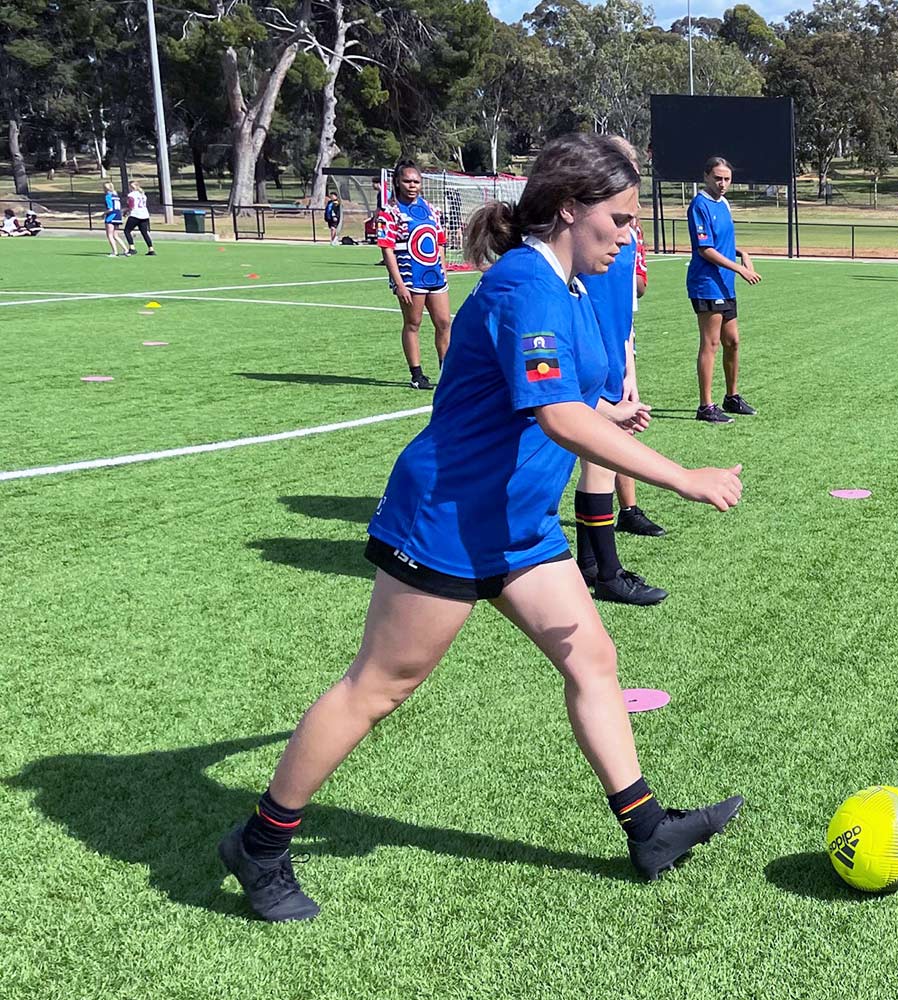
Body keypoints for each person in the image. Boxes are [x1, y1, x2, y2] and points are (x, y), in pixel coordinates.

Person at [215, 132, 746, 924]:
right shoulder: (525, 286)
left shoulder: (563, 285)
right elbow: (555, 414)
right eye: (624, 219)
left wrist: (610, 409)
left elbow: (555, 397)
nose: (632, 236)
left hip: (518, 523)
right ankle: (259, 844)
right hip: (449, 523)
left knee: (592, 658)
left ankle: (648, 830)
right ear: (571, 210)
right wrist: (682, 476)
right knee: (378, 687)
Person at [575, 137, 667, 605]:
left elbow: (625, 308)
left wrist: (629, 364)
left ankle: (589, 564)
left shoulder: (627, 234)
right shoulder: (586, 239)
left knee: (602, 463)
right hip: (589, 359)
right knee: (600, 462)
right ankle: (607, 573)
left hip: (615, 353)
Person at [688, 156, 761, 424]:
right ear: (706, 176)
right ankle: (705, 406)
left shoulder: (724, 204)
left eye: (727, 179)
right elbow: (706, 249)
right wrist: (740, 269)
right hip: (707, 283)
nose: (722, 183)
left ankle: (731, 397)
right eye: (717, 178)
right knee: (711, 342)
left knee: (733, 341)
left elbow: (724, 241)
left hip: (724, 283)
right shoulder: (699, 204)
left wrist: (743, 253)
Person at [377, 160, 454, 390]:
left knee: (444, 322)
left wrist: (443, 269)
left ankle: (446, 371)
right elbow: (387, 248)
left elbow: (440, 242)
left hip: (435, 276)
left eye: (416, 181)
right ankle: (417, 374)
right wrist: (399, 282)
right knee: (413, 323)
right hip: (411, 276)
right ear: (398, 183)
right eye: (407, 181)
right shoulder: (389, 211)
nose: (412, 185)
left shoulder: (430, 209)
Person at [614, 217, 666, 539]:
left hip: (621, 332)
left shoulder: (633, 232)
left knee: (621, 426)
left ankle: (627, 510)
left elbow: (641, 286)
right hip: (599, 334)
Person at [123, 180, 155, 256]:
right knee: (144, 233)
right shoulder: (143, 194)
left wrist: (125, 212)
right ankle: (151, 249)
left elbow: (131, 206)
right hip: (144, 215)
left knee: (127, 231)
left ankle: (132, 248)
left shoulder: (131, 195)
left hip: (135, 214)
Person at [102, 181, 129, 257]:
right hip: (118, 216)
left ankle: (115, 252)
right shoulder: (116, 196)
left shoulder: (108, 196)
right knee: (116, 235)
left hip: (111, 216)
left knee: (110, 235)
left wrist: (103, 214)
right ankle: (126, 250)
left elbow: (110, 209)